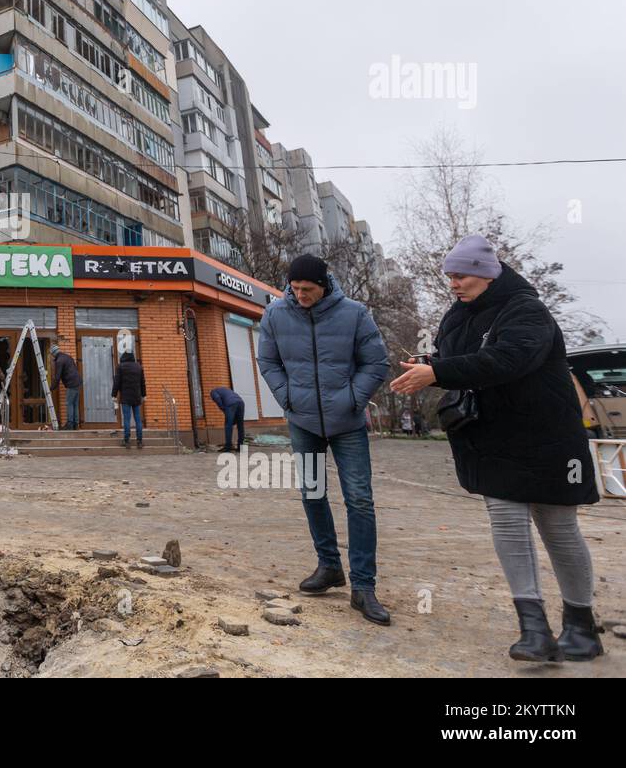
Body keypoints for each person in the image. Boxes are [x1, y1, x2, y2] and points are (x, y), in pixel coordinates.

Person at [390, 234, 602, 662]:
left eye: (461, 274)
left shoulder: (527, 310)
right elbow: (457, 362)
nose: (453, 283)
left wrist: (438, 373)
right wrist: (429, 366)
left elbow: (508, 360)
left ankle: (581, 627)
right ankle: (534, 630)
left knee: (559, 529)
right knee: (506, 523)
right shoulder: (456, 316)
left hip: (547, 438)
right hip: (489, 436)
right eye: (449, 275)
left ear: (486, 273)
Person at [257, 254, 391, 625]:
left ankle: (364, 587)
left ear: (324, 284)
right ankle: (329, 565)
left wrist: (352, 399)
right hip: (303, 423)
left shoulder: (354, 314)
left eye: (308, 289)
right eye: (295, 288)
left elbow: (377, 362)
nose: (300, 295)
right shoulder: (275, 314)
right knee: (312, 493)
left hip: (347, 423)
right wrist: (288, 398)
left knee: (359, 499)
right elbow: (267, 362)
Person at [111, 350, 147, 448]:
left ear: (123, 358)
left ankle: (127, 441)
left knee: (126, 419)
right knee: (138, 419)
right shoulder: (139, 367)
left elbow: (116, 382)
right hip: (136, 397)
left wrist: (113, 394)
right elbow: (142, 382)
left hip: (126, 397)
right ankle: (139, 441)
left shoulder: (120, 367)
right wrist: (144, 395)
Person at [49, 344, 82, 431]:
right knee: (75, 404)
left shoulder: (59, 361)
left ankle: (70, 424)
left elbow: (57, 376)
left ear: (54, 353)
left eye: (52, 354)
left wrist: (51, 388)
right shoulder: (68, 357)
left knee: (69, 403)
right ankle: (76, 424)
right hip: (78, 382)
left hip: (71, 383)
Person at [210, 386, 246, 453]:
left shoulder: (213, 392)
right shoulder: (225, 389)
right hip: (241, 402)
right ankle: (241, 448)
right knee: (240, 425)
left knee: (228, 425)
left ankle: (228, 447)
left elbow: (217, 398)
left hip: (230, 403)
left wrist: (223, 408)